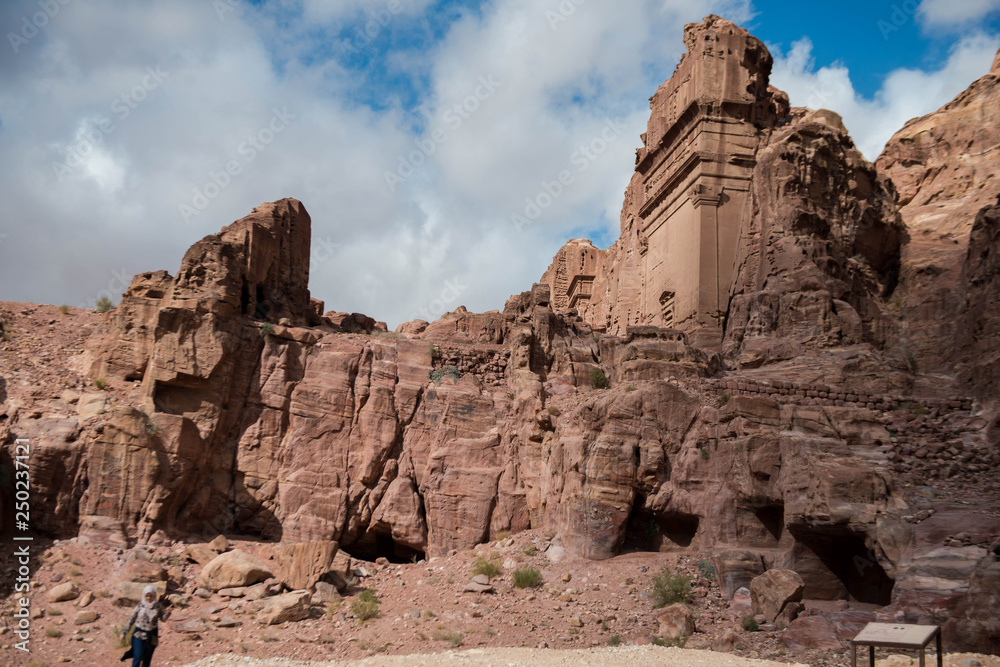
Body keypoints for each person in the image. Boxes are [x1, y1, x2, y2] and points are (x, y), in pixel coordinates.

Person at [120, 584, 168, 666]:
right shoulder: (140, 606)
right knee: (138, 656)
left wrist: (168, 613)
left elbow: (163, 619)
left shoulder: (158, 606)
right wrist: (124, 632)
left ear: (154, 595)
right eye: (147, 596)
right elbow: (131, 619)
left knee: (147, 659)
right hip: (139, 634)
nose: (148, 598)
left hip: (152, 636)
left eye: (151, 596)